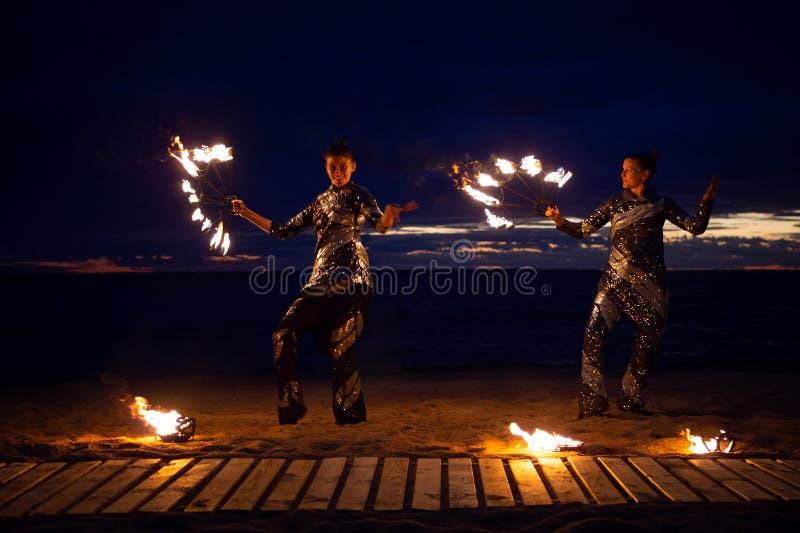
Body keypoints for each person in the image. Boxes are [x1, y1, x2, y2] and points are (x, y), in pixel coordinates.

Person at [232, 140, 417, 425]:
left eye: (343, 167)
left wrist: (390, 214)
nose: (338, 172)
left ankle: (350, 416)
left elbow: (379, 225)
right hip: (319, 284)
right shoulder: (319, 202)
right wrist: (244, 212)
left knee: (340, 346)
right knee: (283, 333)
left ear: (353, 167)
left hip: (353, 283)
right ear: (326, 168)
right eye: (333, 167)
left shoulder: (359, 195)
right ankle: (291, 404)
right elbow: (283, 230)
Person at [545, 152, 718, 418]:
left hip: (651, 286)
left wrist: (706, 202)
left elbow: (695, 227)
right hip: (614, 282)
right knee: (593, 335)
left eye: (627, 170)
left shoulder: (661, 204)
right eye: (622, 170)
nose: (622, 175)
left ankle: (630, 399)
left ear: (644, 174)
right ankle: (593, 401)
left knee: (647, 344)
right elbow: (582, 230)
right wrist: (558, 219)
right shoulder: (613, 204)